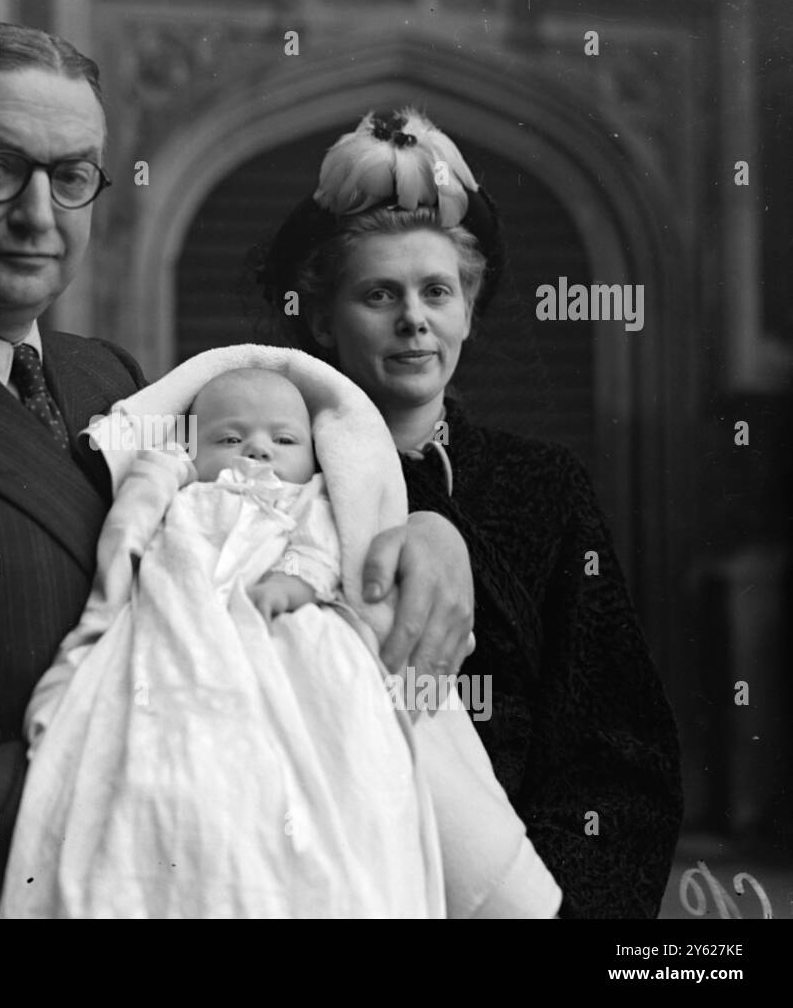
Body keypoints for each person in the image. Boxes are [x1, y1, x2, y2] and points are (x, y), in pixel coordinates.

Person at [0, 23, 478, 918]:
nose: (39, 216)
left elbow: (264, 530)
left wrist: (420, 530)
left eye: (72, 176)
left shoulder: (106, 379)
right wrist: (240, 850)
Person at [255, 108, 684, 918]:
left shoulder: (544, 487)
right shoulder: (271, 475)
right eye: (379, 293)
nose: (414, 318)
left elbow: (618, 757)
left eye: (437, 291)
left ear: (468, 311)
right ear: (319, 317)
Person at [0, 362, 562, 918]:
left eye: (284, 438)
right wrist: (161, 468)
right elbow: (129, 531)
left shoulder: (310, 500)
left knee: (330, 756)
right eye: (229, 437)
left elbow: (326, 551)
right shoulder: (187, 495)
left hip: (292, 641)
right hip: (181, 628)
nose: (257, 450)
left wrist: (294, 583)